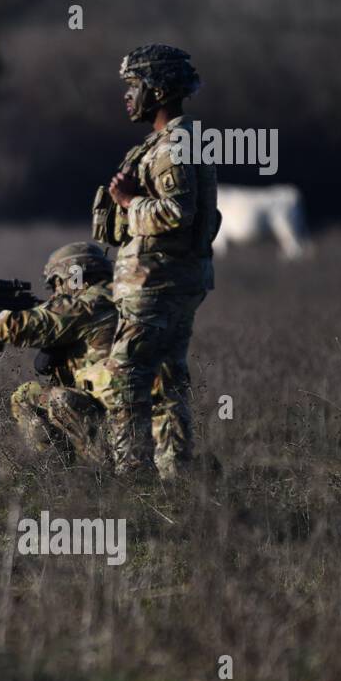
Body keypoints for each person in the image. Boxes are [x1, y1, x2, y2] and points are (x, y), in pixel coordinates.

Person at [91, 44, 218, 479]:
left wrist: (127, 201)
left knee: (125, 375)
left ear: (160, 91)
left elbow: (177, 214)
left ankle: (132, 473)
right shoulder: (178, 141)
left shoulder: (174, 147)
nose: (127, 96)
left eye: (134, 86)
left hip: (159, 284)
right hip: (174, 281)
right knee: (167, 376)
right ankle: (175, 472)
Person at [0, 242, 117, 464]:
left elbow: (15, 326)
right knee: (29, 393)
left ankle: (78, 470)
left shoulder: (84, 304)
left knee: (56, 399)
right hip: (130, 406)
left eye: (56, 284)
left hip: (113, 418)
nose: (56, 292)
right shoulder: (122, 296)